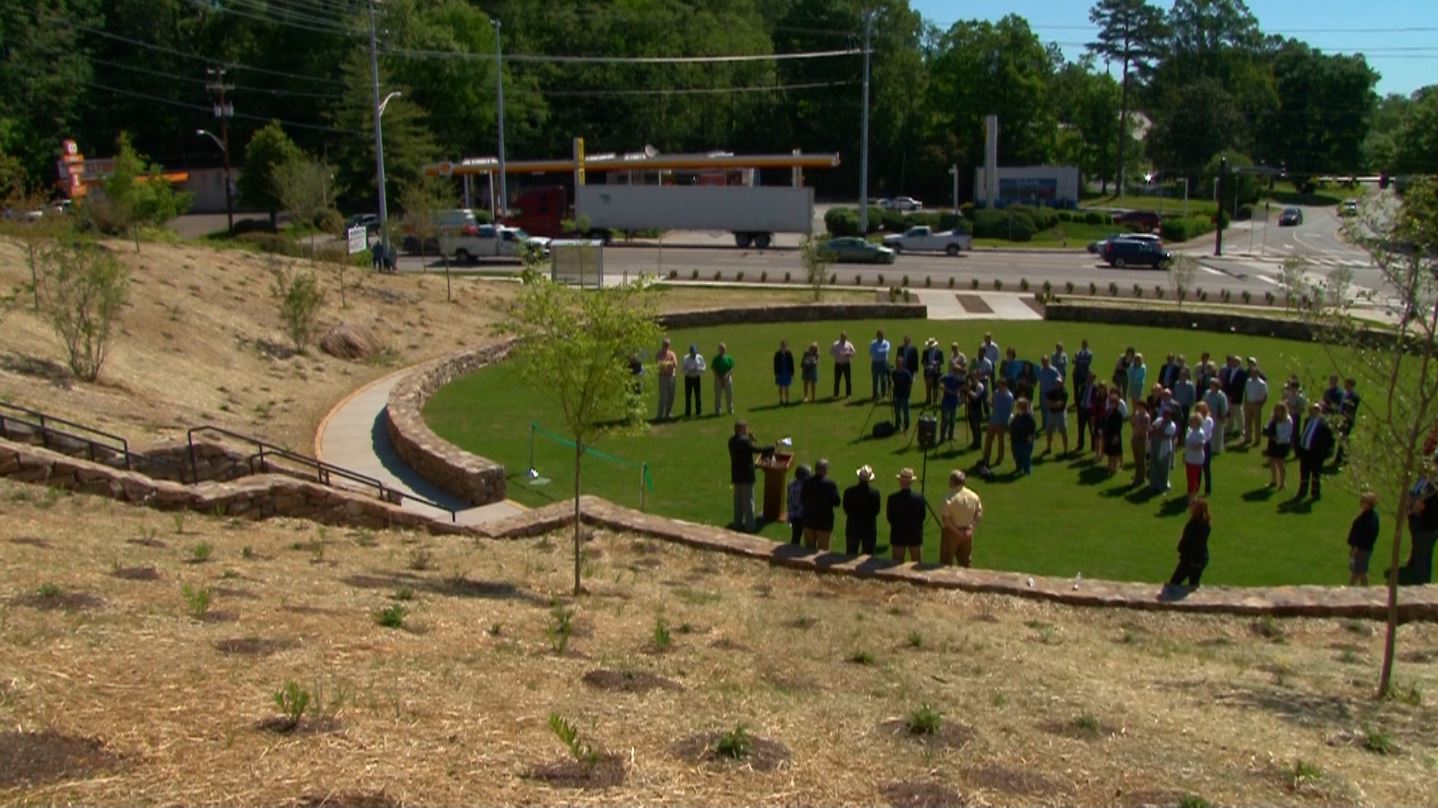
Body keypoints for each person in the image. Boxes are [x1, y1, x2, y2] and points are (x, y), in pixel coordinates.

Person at [727, 421, 772, 533]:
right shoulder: (745, 441)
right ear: (742, 429)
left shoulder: (731, 441)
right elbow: (756, 450)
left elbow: (745, 449)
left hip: (736, 474)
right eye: (746, 428)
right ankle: (750, 526)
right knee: (748, 501)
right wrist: (770, 447)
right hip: (746, 475)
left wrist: (749, 440)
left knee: (738, 501)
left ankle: (737, 523)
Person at [1399, 475, 1438, 585]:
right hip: (1434, 526)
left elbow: (1421, 504)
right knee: (1426, 556)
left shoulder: (1432, 486)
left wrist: (1409, 510)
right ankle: (1425, 581)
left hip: (1426, 525)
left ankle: (1421, 583)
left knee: (1422, 556)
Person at [1167, 499, 1212, 591]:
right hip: (1201, 559)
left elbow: (1187, 542)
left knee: (1173, 584)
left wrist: (1181, 549)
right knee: (1193, 583)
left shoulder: (1192, 525)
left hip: (1189, 561)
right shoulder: (1206, 524)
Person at [940, 469, 982, 567]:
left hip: (951, 533)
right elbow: (979, 512)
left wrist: (957, 532)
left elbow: (946, 520)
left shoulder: (949, 497)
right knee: (966, 563)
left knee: (945, 563)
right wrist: (971, 527)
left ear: (952, 482)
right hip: (967, 532)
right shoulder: (973, 496)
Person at [1295, 403, 1335, 500]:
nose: (1313, 412)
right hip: (1305, 451)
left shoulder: (1325, 424)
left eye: (1316, 410)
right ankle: (1302, 491)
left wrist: (1326, 452)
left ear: (1320, 411)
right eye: (1312, 410)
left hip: (1317, 453)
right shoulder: (1307, 420)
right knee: (1304, 472)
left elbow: (1330, 440)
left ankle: (1315, 493)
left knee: (1316, 474)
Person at [886, 467, 927, 562]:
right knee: (916, 562)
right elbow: (922, 516)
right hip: (914, 534)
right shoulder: (919, 498)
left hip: (898, 534)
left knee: (896, 563)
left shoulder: (892, 498)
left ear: (900, 482)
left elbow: (890, 517)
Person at [801, 458, 841, 551]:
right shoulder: (830, 484)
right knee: (823, 551)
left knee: (808, 550)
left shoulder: (807, 482)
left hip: (809, 520)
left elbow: (802, 498)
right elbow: (837, 502)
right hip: (824, 523)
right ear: (824, 470)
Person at [843, 465, 882, 556]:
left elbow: (846, 507)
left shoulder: (849, 491)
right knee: (867, 555)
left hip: (853, 525)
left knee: (851, 553)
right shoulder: (875, 493)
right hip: (868, 526)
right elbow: (876, 510)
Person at [1347, 491, 1379, 586]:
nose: (1360, 503)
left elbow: (1360, 537)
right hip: (1367, 548)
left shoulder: (1364, 519)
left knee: (1358, 571)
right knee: (1361, 571)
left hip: (1361, 549)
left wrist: (1354, 550)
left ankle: (1350, 589)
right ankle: (1364, 588)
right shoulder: (1374, 516)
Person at [982, 379, 1014, 472]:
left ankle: (999, 459)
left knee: (1000, 442)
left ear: (1004, 386)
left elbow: (1006, 410)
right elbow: (995, 404)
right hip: (994, 420)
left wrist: (991, 404)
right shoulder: (996, 393)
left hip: (1002, 422)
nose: (998, 388)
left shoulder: (1009, 397)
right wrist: (990, 403)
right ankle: (986, 458)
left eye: (1000, 386)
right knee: (988, 440)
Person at [1264, 401, 1293, 490]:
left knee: (1280, 462)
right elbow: (1268, 426)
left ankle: (1282, 483)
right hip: (1273, 442)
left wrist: (1278, 439)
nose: (1277, 412)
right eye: (1276, 410)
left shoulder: (1288, 420)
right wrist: (1268, 432)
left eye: (1279, 410)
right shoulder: (1273, 418)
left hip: (1282, 444)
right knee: (1272, 461)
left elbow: (1287, 433)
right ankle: (1273, 481)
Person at [1147, 406, 1176, 491]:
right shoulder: (1159, 420)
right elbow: (1151, 429)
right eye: (1164, 415)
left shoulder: (1172, 425)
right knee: (1154, 465)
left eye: (1168, 415)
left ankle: (1163, 485)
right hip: (1155, 446)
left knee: (1163, 468)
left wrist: (1156, 431)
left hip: (1164, 448)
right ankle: (1153, 484)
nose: (1165, 417)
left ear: (1171, 416)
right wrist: (1158, 431)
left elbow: (1165, 436)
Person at [1242, 358, 1269, 448]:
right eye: (1251, 373)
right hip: (1249, 402)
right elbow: (1246, 392)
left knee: (1257, 422)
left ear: (1257, 374)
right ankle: (1248, 437)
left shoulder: (1262, 383)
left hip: (1257, 403)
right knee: (1247, 421)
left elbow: (1265, 395)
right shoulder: (1248, 381)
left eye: (1254, 373)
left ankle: (1257, 440)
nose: (1252, 374)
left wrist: (1261, 404)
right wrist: (1245, 402)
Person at [1009, 398, 1037, 476]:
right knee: (1016, 455)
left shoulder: (1029, 418)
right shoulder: (1017, 416)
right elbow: (1012, 426)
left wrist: (1030, 437)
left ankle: (1027, 470)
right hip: (1015, 440)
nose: (1016, 406)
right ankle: (1019, 467)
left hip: (1025, 441)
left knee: (1025, 457)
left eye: (1018, 405)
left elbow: (1032, 428)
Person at [1183, 413, 1207, 502]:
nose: (1190, 423)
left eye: (1192, 421)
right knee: (1189, 478)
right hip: (1189, 458)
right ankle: (1190, 493)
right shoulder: (1190, 430)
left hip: (1196, 459)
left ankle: (1192, 496)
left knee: (1193, 478)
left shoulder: (1200, 433)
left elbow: (1200, 446)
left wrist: (1191, 446)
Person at [1335, 378, 1360, 465]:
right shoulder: (1344, 394)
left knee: (1344, 438)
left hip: (1347, 420)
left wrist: (1345, 414)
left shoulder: (1355, 397)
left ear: (1351, 385)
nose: (1345, 385)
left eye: (1347, 384)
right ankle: (1343, 456)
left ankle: (1340, 458)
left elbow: (1352, 409)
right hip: (1341, 418)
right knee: (1342, 438)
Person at [1202, 377, 1229, 456]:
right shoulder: (1207, 393)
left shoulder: (1221, 395)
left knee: (1217, 434)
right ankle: (1209, 448)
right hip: (1208, 416)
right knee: (1209, 433)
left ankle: (1217, 449)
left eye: (1213, 385)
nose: (1211, 386)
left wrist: (1222, 415)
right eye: (1210, 385)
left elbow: (1224, 407)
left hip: (1217, 417)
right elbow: (1204, 402)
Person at [1195, 401, 1216, 496]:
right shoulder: (1196, 419)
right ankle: (1196, 487)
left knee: (1206, 468)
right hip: (1197, 444)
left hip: (1205, 445)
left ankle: (1208, 489)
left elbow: (1206, 433)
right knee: (1197, 467)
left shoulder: (1209, 420)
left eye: (1200, 409)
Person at [1043, 376, 1069, 455]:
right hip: (1051, 413)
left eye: (1059, 382)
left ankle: (1065, 450)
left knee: (1063, 431)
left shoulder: (1064, 393)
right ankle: (1048, 448)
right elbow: (1048, 403)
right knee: (1049, 431)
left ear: (1062, 383)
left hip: (1060, 414)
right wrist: (1054, 404)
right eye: (1057, 382)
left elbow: (1060, 405)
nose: (1058, 384)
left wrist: (1053, 404)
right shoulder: (1051, 391)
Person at [786, 464, 811, 545]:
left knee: (795, 536)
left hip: (793, 513)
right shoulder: (806, 486)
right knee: (808, 537)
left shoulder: (791, 483)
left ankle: (793, 549)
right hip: (802, 514)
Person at [1104, 387, 1127, 474]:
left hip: (1115, 435)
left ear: (1116, 404)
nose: (1111, 405)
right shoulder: (1109, 412)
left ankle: (1114, 468)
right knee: (1109, 453)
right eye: (1110, 403)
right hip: (1109, 435)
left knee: (1114, 453)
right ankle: (1109, 466)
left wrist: (1116, 437)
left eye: (1113, 403)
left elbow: (1119, 427)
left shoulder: (1118, 414)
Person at [939, 362, 963, 443]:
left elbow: (961, 388)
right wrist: (948, 391)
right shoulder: (947, 377)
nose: (958, 372)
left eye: (959, 371)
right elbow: (940, 384)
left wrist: (958, 392)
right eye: (957, 371)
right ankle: (942, 437)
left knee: (952, 420)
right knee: (945, 419)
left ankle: (950, 436)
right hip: (946, 401)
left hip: (954, 402)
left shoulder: (960, 380)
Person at [655, 338, 678, 420]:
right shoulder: (659, 354)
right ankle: (660, 415)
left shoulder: (672, 354)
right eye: (665, 345)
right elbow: (659, 364)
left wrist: (666, 363)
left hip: (671, 377)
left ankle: (668, 413)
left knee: (671, 395)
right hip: (663, 378)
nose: (666, 346)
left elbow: (675, 364)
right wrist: (668, 363)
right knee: (663, 396)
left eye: (668, 345)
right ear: (663, 345)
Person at [1130, 401, 1151, 486]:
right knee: (1136, 459)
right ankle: (1137, 477)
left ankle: (1141, 478)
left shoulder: (1146, 416)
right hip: (1135, 437)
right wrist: (1132, 419)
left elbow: (1144, 428)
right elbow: (1132, 424)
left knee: (1141, 459)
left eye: (1139, 406)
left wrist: (1137, 424)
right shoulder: (1136, 414)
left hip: (1141, 439)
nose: (1137, 407)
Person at [682, 344, 706, 418]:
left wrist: (698, 369)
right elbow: (683, 369)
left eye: (695, 352)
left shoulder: (700, 357)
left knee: (697, 395)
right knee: (688, 395)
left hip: (696, 378)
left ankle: (698, 411)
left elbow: (704, 367)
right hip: (688, 378)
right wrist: (689, 371)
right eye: (692, 353)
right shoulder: (685, 358)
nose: (694, 354)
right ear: (690, 352)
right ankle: (688, 412)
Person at [964, 372, 987, 450]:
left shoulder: (980, 386)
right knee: (972, 426)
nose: (971, 379)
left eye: (973, 377)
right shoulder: (971, 385)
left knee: (977, 427)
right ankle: (975, 441)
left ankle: (978, 443)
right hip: (971, 408)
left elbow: (975, 397)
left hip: (977, 409)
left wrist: (967, 391)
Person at [712, 343, 735, 415]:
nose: (722, 350)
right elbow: (714, 370)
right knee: (718, 396)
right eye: (721, 349)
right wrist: (720, 378)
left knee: (729, 395)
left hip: (727, 378)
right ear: (719, 350)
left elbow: (731, 368)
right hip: (718, 379)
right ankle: (718, 410)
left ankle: (730, 409)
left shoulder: (729, 358)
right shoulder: (716, 359)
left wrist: (726, 376)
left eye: (723, 349)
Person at [830, 331, 855, 398]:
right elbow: (831, 352)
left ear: (846, 337)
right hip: (838, 364)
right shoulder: (835, 344)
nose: (843, 338)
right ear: (840, 337)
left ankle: (848, 394)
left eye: (845, 337)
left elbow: (853, 352)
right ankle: (836, 394)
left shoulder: (849, 344)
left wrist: (849, 354)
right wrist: (837, 354)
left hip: (846, 364)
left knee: (848, 379)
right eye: (842, 337)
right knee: (837, 379)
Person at [891, 359, 914, 432]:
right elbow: (893, 382)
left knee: (906, 412)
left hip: (905, 395)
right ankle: (897, 426)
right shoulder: (894, 373)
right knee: (897, 412)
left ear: (902, 364)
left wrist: (908, 393)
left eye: (899, 363)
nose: (897, 365)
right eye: (896, 363)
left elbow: (910, 383)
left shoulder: (906, 373)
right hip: (897, 395)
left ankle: (906, 426)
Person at [869, 330, 892, 400]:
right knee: (874, 379)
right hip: (875, 363)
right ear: (877, 336)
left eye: (882, 335)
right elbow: (871, 352)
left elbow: (886, 351)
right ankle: (874, 394)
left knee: (883, 379)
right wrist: (880, 352)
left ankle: (884, 395)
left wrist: (877, 352)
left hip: (883, 363)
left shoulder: (886, 343)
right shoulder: (873, 343)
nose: (881, 337)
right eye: (880, 335)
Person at [922, 338, 944, 406]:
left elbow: (942, 361)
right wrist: (925, 364)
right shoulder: (925, 352)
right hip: (927, 371)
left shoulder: (939, 352)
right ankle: (928, 400)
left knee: (935, 387)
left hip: (936, 372)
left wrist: (936, 363)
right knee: (928, 387)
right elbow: (922, 361)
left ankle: (935, 401)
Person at [773, 339, 795, 406]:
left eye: (785, 346)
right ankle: (781, 400)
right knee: (780, 387)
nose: (784, 347)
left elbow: (792, 363)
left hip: (787, 372)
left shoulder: (789, 353)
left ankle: (787, 400)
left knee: (787, 387)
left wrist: (792, 372)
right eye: (782, 346)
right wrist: (776, 373)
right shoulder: (777, 354)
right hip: (780, 372)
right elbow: (775, 364)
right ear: (780, 346)